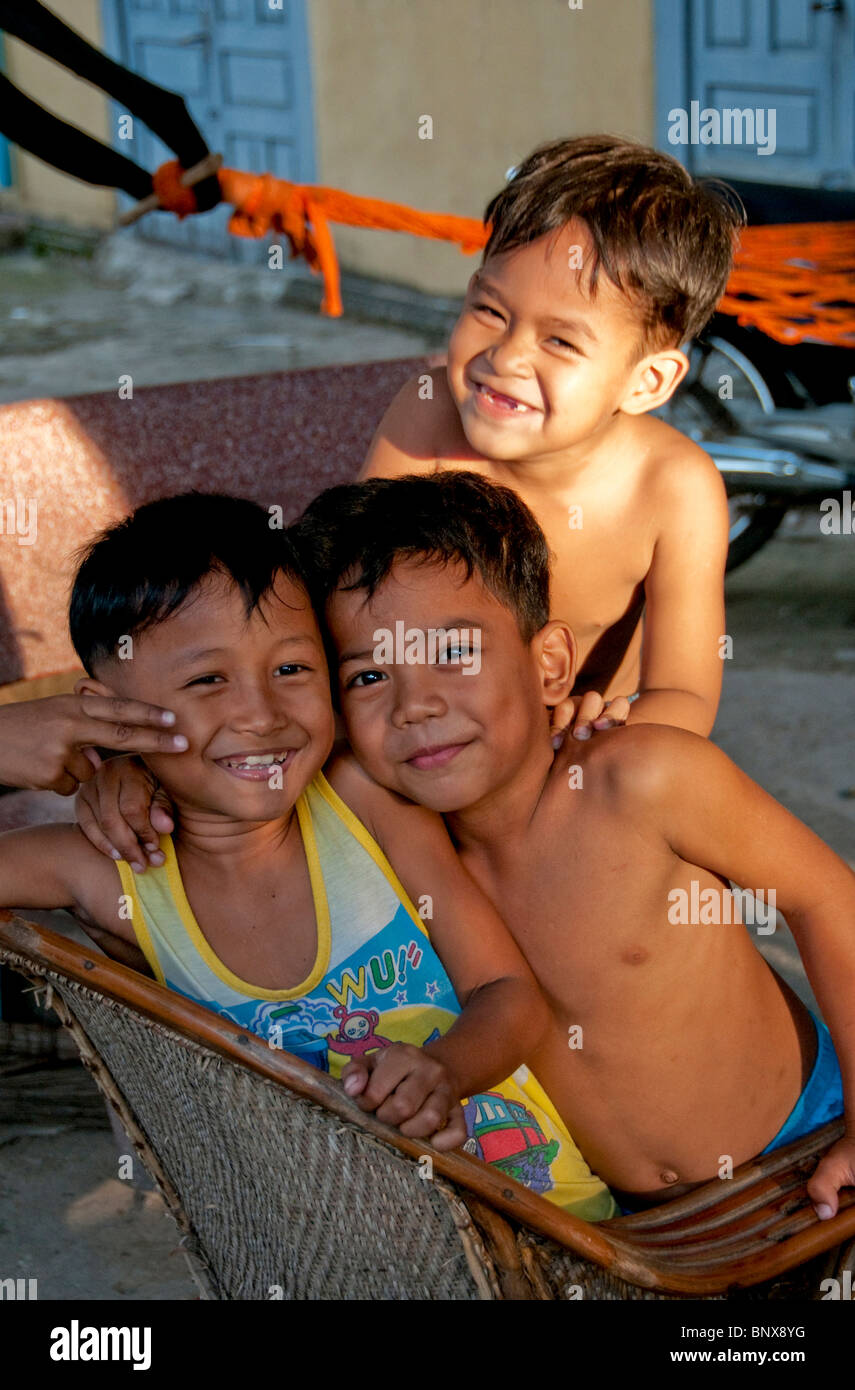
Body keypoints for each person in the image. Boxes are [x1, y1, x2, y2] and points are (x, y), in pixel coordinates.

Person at [0, 491, 615, 1220]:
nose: (262, 716)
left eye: (292, 669)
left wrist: (443, 1071)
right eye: (207, 680)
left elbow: (508, 996)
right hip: (334, 1259)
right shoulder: (104, 871)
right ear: (102, 706)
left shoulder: (359, 799)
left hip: (551, 1220)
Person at [288, 471, 855, 1217]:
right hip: (616, 1223)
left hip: (803, 1149)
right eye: (367, 675)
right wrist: (122, 783)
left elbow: (824, 897)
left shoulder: (640, 779)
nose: (415, 704)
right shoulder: (387, 843)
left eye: (455, 652)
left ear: (549, 664)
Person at [360, 135, 744, 740]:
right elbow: (352, 593)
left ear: (647, 383)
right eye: (491, 312)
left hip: (582, 749)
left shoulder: (674, 488)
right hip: (433, 731)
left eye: (560, 342)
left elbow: (686, 695)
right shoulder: (428, 416)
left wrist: (605, 732)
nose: (505, 356)